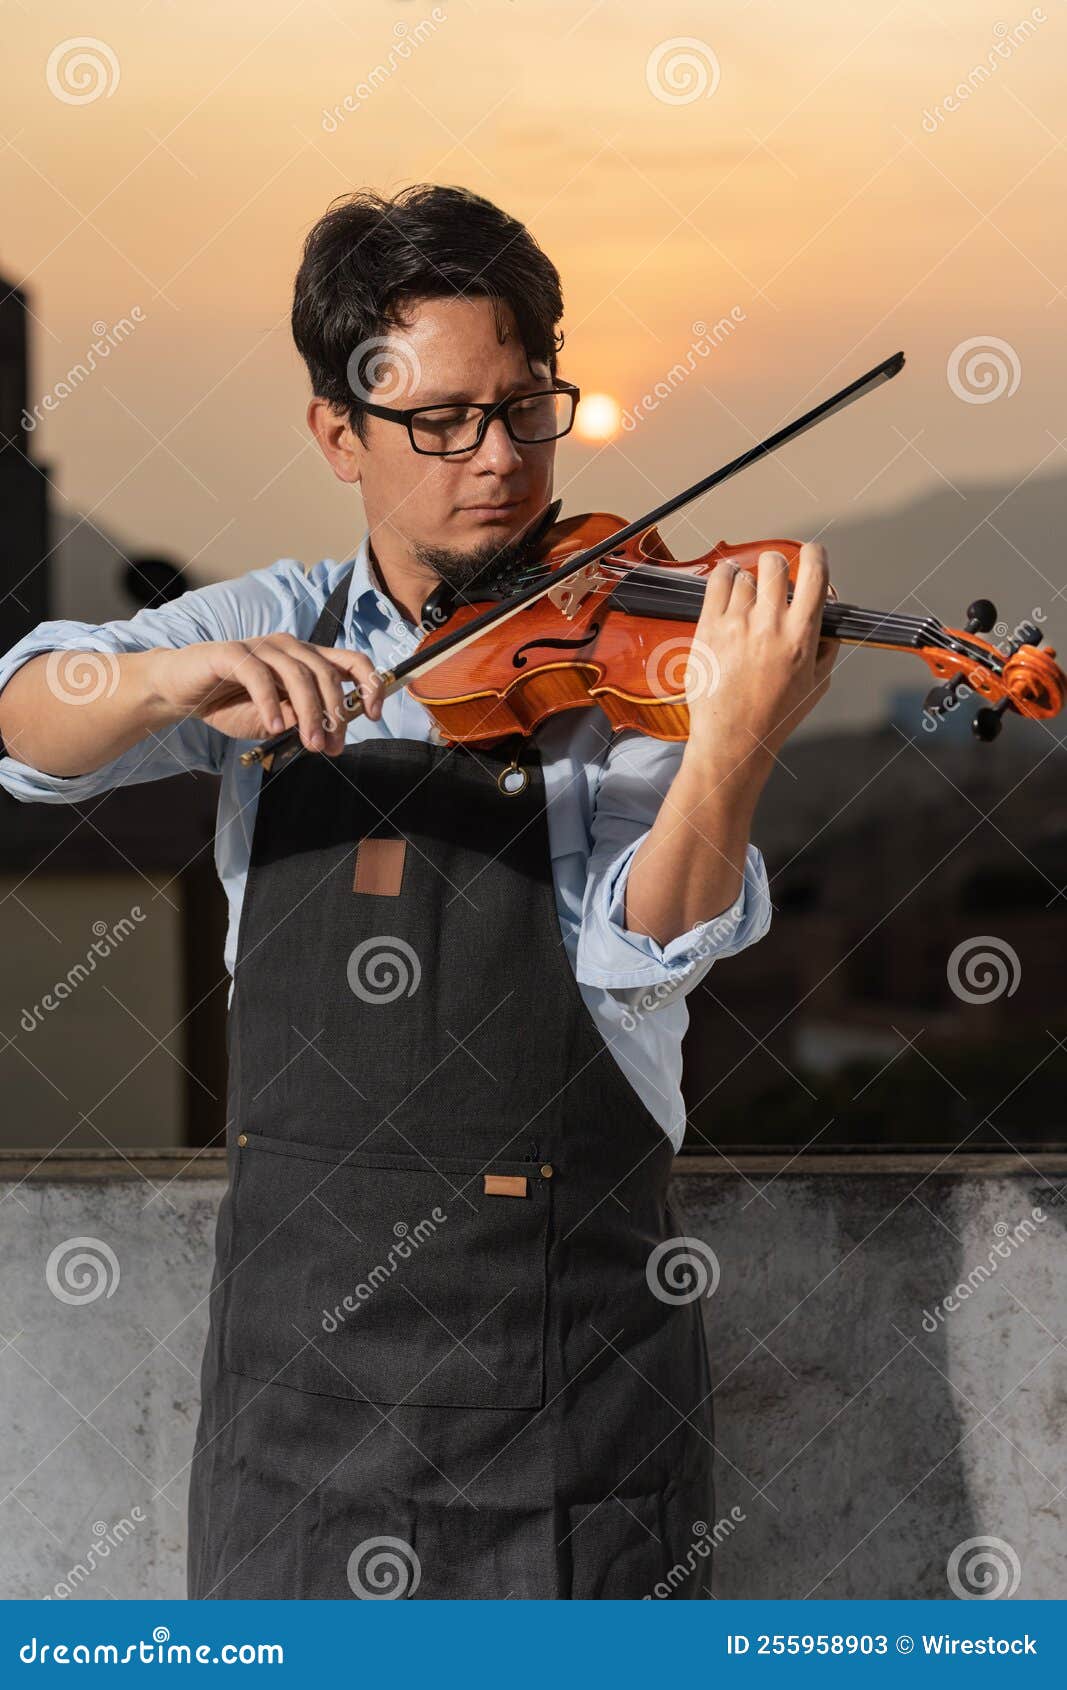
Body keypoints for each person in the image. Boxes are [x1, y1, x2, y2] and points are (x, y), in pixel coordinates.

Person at [0, 183, 837, 1600]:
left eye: (525, 407)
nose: (497, 459)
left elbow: (645, 956)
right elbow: (26, 721)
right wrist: (164, 679)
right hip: (295, 1416)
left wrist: (735, 750)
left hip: (571, 1408)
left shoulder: (622, 658)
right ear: (340, 431)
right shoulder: (276, 622)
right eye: (441, 421)